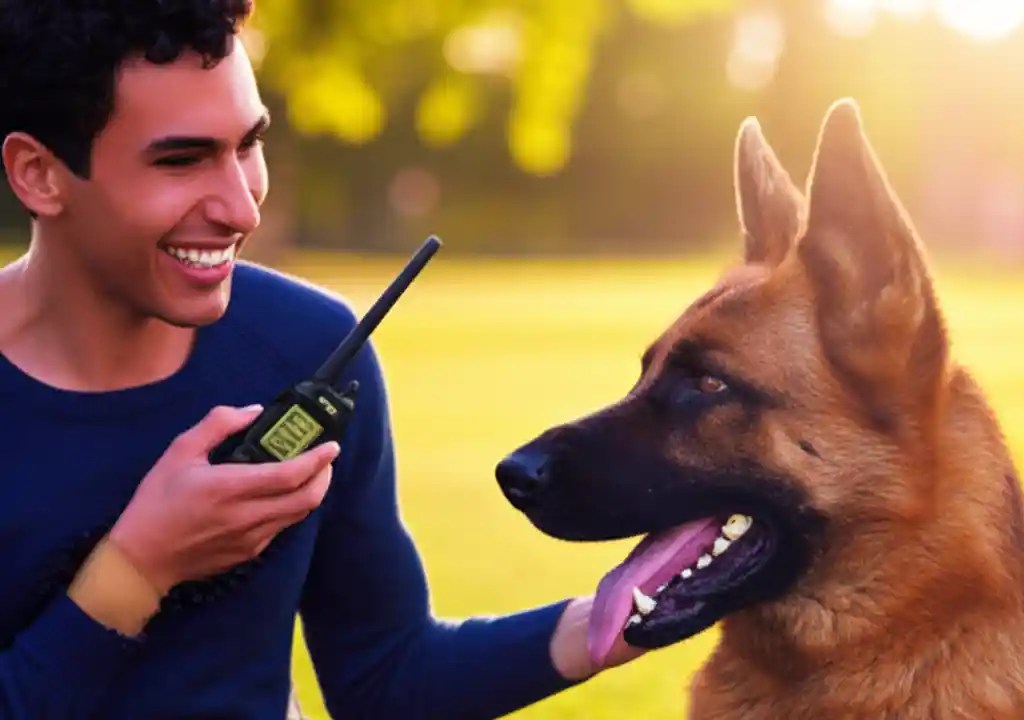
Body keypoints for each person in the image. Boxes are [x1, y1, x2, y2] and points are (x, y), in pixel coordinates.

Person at [0, 1, 643, 718]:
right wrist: (138, 568)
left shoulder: (310, 349)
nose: (242, 208)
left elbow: (386, 678)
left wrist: (627, 610)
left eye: (248, 145)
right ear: (39, 174)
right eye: (181, 161)